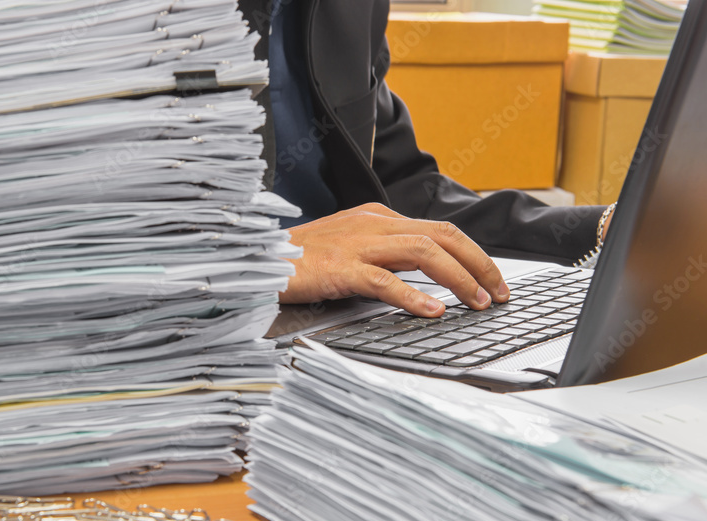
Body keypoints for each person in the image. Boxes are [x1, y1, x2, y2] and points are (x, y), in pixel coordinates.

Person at [239, 0, 611, 317]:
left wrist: (599, 228)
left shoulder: (351, 10)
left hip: (344, 317)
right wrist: (262, 261)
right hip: (212, 326)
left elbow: (400, 192)